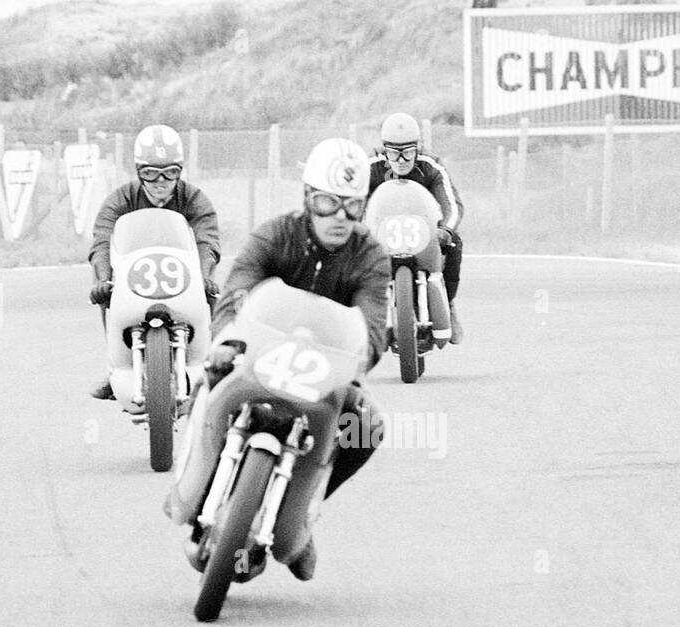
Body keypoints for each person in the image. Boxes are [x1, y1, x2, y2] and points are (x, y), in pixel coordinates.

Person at [177, 137, 390, 581]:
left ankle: (304, 512)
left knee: (365, 426)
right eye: (328, 202)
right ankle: (198, 488)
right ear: (308, 198)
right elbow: (237, 288)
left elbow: (372, 325)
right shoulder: (276, 235)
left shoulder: (370, 257)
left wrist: (359, 365)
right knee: (210, 379)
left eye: (352, 206)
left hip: (327, 374)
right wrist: (227, 339)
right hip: (259, 357)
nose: (340, 217)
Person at [86, 124, 221, 399]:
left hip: (183, 275)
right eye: (150, 173)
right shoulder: (119, 199)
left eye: (170, 172)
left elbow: (208, 239)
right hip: (130, 277)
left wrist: (206, 274)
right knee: (103, 293)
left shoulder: (195, 198)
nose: (161, 181)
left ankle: (211, 364)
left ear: (180, 171)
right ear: (138, 172)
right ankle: (118, 367)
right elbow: (101, 239)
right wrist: (103, 279)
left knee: (213, 295)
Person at [367, 112, 465, 344]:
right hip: (383, 234)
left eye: (408, 152)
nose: (401, 160)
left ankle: (448, 303)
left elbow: (453, 205)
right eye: (394, 152)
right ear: (384, 150)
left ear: (417, 149)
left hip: (424, 232)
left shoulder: (431, 166)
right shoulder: (370, 167)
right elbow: (354, 202)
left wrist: (446, 230)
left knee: (455, 244)